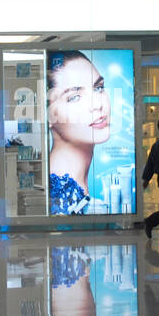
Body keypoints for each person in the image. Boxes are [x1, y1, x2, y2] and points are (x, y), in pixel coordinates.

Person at [47, 50, 110, 215]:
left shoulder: (72, 187)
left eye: (98, 88)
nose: (97, 104)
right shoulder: (58, 198)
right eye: (74, 97)